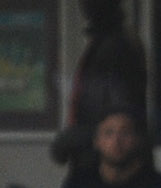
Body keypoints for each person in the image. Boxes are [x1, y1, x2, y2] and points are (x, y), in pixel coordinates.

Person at [50, 0, 149, 173]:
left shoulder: (115, 49)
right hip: (96, 163)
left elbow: (121, 117)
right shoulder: (106, 44)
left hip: (106, 170)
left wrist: (70, 140)